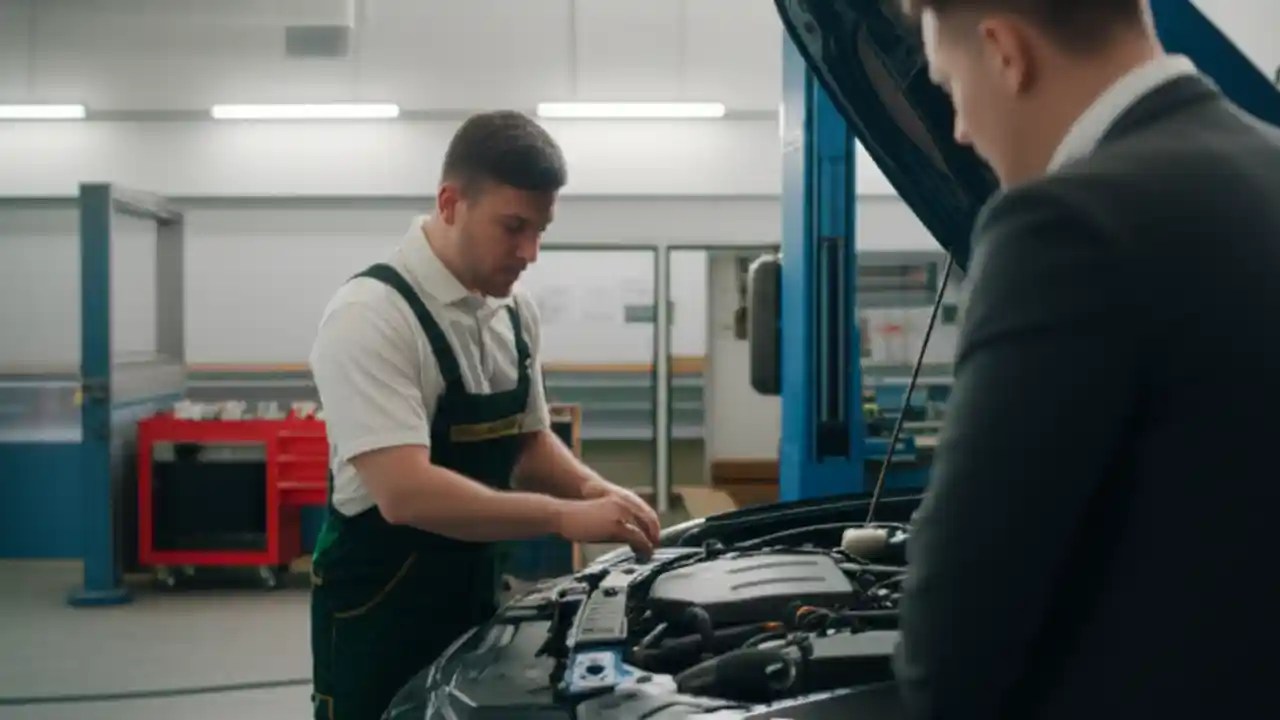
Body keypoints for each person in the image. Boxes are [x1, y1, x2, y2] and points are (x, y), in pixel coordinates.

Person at [894, 0, 1280, 718]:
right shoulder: (1266, 163)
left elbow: (957, 640)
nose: (961, 130)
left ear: (1006, 53)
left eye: (950, 88)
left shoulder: (1064, 226)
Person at [306, 110, 662, 720]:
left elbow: (527, 442)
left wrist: (594, 488)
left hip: (474, 599)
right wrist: (564, 516)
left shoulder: (514, 311)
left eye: (541, 229)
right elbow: (406, 494)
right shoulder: (371, 316)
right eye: (514, 227)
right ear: (450, 203)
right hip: (377, 614)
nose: (530, 252)